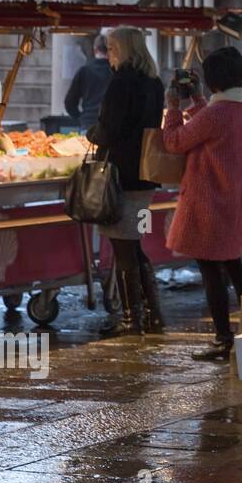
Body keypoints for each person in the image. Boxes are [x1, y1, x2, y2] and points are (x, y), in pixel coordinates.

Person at [162, 46, 242, 361]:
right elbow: (210, 128)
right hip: (234, 201)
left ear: (213, 81)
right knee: (232, 265)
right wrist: (198, 100)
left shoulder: (217, 113)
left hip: (208, 203)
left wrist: (173, 107)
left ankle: (223, 339)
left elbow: (175, 142)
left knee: (212, 270)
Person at [87, 27, 165, 336]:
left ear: (123, 50)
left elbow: (109, 130)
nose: (108, 55)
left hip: (119, 175)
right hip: (145, 174)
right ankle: (153, 314)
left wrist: (91, 134)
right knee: (133, 243)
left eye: (111, 49)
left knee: (123, 247)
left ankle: (133, 320)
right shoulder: (154, 83)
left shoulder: (121, 83)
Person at [64, 35, 112, 131]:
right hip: (110, 124)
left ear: (95, 50)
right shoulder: (116, 72)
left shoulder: (84, 71)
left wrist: (80, 117)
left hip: (88, 123)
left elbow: (69, 102)